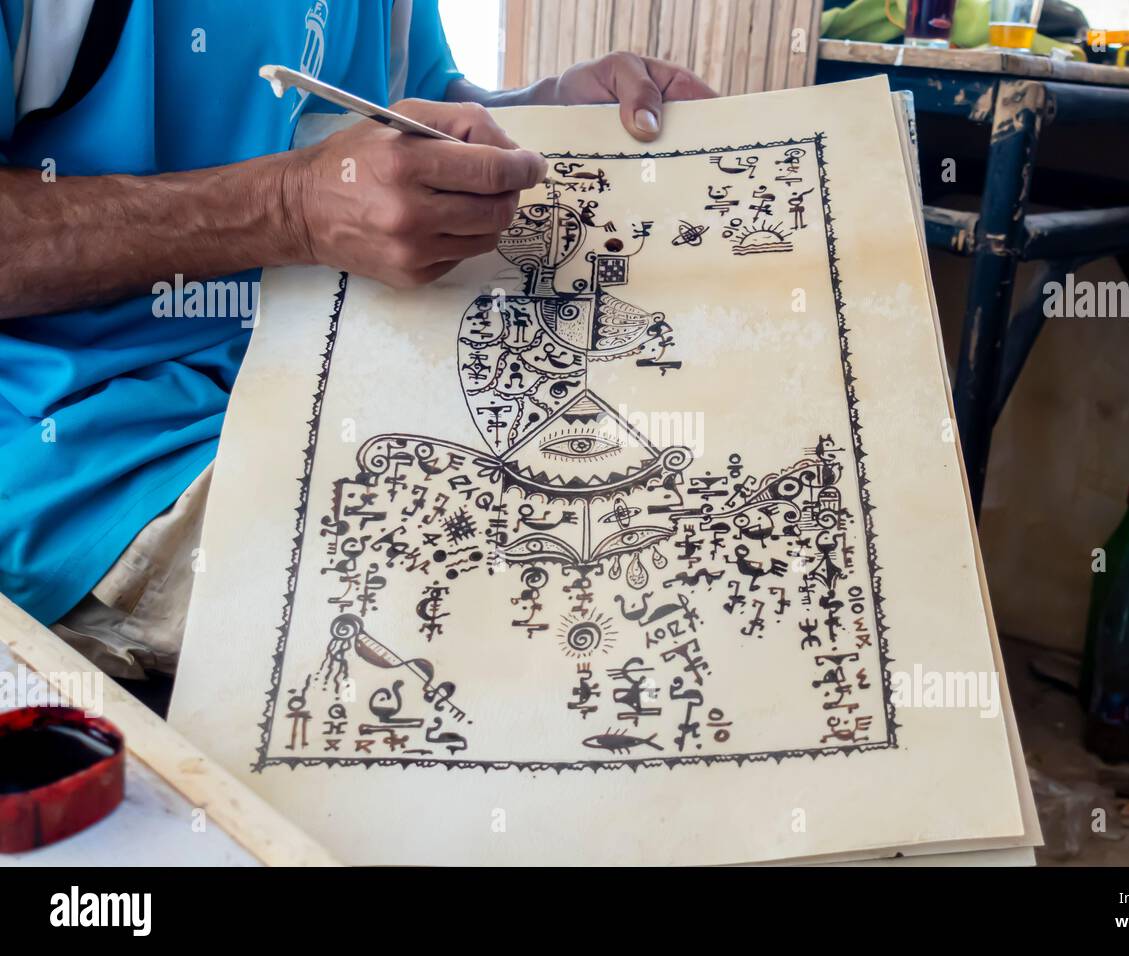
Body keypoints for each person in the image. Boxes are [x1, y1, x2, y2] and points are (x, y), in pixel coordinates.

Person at [0, 0, 714, 677]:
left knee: (686, 492)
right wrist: (288, 205)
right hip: (93, 450)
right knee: (552, 599)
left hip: (336, 360)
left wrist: (546, 111)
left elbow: (401, 102)